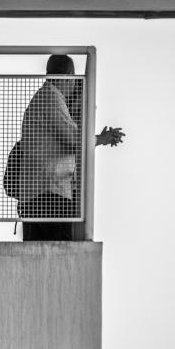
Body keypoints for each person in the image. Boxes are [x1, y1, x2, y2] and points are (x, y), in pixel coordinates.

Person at [17, 54, 124, 240]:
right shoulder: (52, 97)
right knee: (59, 252)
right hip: (49, 192)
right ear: (69, 75)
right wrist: (101, 138)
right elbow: (75, 139)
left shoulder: (43, 97)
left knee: (37, 254)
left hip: (34, 193)